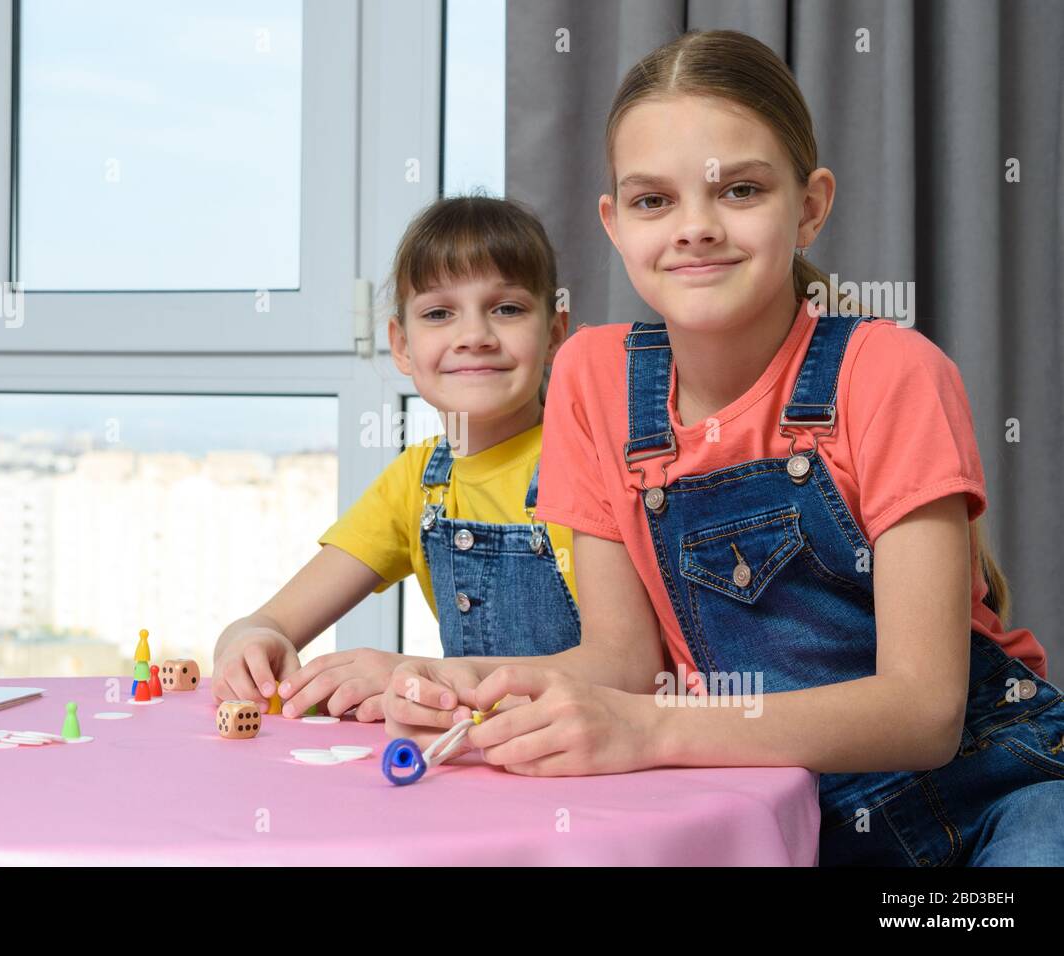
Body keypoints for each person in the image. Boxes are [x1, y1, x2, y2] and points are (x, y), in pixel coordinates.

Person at [385, 30, 1063, 866]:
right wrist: (445, 680)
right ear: (614, 222)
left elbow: (924, 715)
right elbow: (621, 662)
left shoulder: (890, 372)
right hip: (786, 817)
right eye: (653, 201)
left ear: (810, 205)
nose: (695, 229)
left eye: (740, 190)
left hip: (998, 794)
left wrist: (651, 729)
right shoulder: (592, 379)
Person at [212, 196, 584, 721]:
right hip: (479, 762)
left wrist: (410, 673)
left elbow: (621, 671)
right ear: (402, 346)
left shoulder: (592, 462)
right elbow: (267, 622)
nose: (474, 336)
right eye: (438, 313)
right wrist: (247, 643)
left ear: (554, 333)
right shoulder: (419, 479)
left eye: (507, 308)